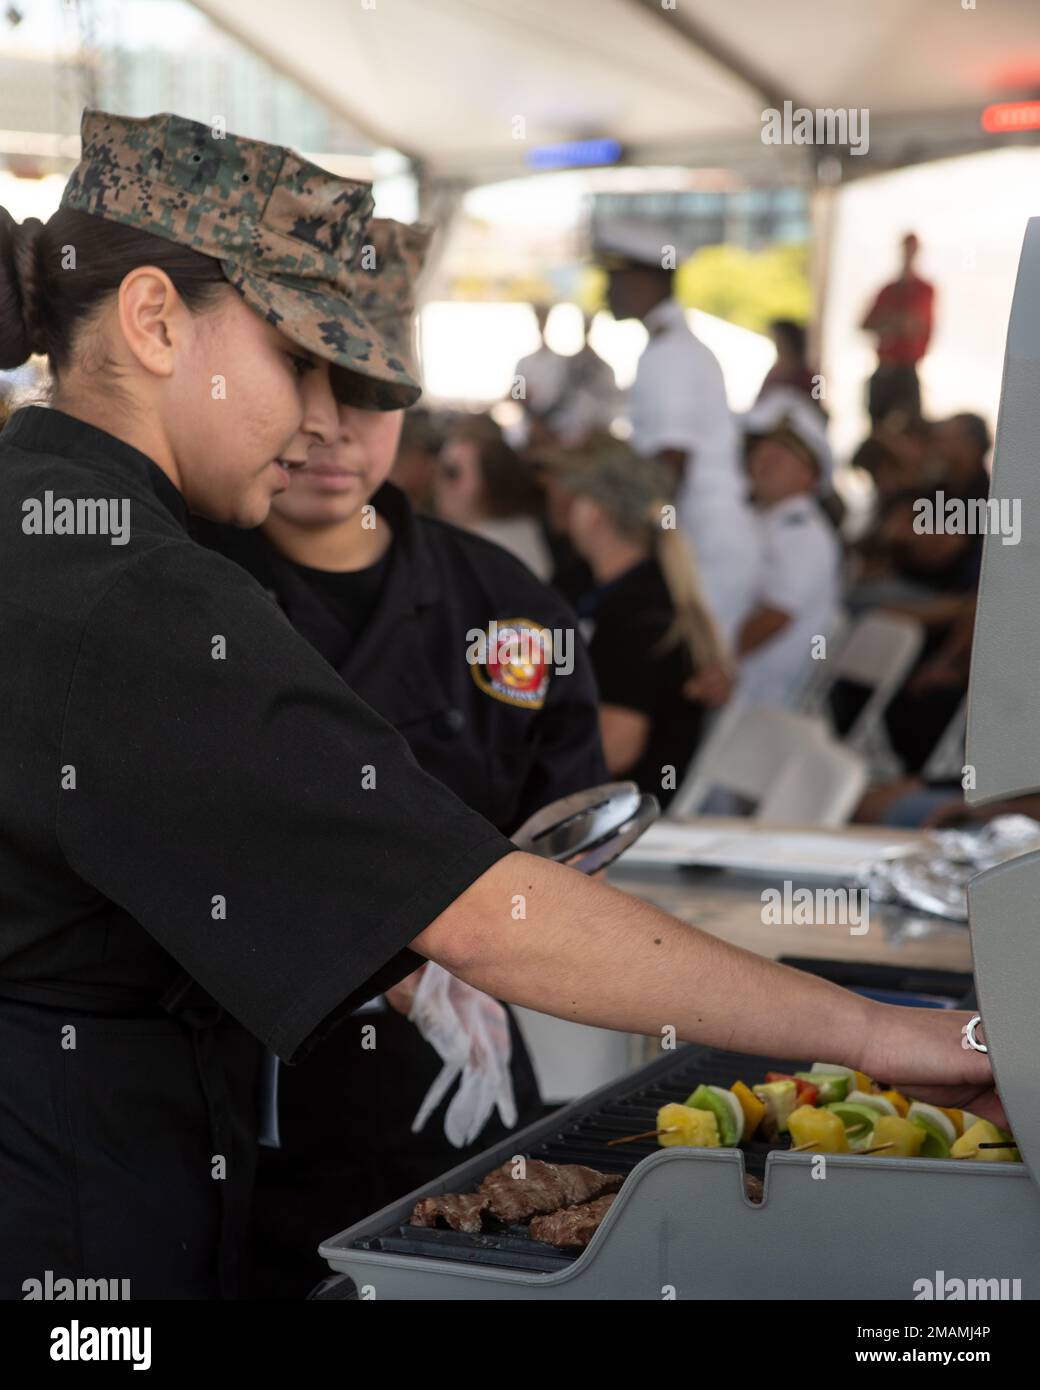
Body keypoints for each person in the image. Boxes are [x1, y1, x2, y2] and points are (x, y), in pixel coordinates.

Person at [0, 109, 1001, 1301]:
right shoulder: (135, 590)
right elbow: (483, 917)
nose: (318, 416)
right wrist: (884, 1034)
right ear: (157, 321)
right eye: (293, 359)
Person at [192, 218, 608, 1296]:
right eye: (299, 378)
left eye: (367, 389)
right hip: (238, 1095)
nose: (328, 427)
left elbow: (569, 824)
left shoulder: (506, 608)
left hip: (455, 1086)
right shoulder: (180, 592)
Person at [547, 433, 729, 805]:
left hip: (624, 814)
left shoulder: (644, 611)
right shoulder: (587, 584)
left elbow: (615, 749)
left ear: (596, 511)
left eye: (577, 496)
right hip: (601, 804)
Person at [596, 226, 759, 639]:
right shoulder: (669, 347)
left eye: (614, 281)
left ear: (646, 281)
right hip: (699, 531)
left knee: (704, 668)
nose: (605, 293)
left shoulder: (671, 354)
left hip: (705, 538)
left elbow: (672, 460)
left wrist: (631, 536)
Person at [724, 394, 842, 712]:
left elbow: (775, 617)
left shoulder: (803, 534)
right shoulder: (760, 520)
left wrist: (712, 658)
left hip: (753, 701)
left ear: (810, 476)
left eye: (784, 453)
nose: (766, 458)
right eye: (763, 447)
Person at [434, 413, 554, 580]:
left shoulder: (489, 551)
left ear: (492, 480)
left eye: (452, 473)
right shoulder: (524, 532)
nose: (439, 483)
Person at [861, 232, 935, 427]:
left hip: (908, 368)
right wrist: (889, 324)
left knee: (913, 429)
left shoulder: (924, 290)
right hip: (886, 367)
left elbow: (922, 327)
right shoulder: (888, 289)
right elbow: (865, 324)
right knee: (877, 427)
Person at [755, 319, 820, 409]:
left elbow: (818, 414)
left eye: (781, 341)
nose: (778, 346)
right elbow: (759, 406)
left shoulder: (811, 378)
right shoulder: (774, 374)